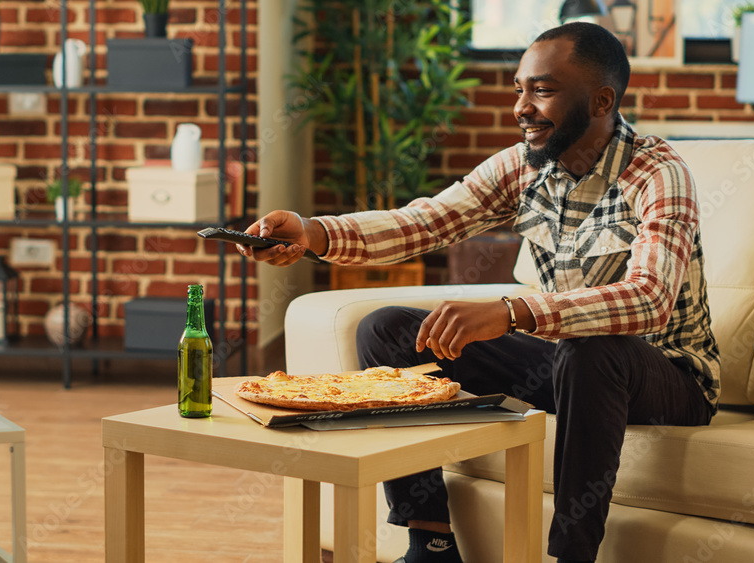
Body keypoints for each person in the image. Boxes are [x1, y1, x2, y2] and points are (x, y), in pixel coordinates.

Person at [238, 22, 720, 563]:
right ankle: (430, 543)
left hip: (668, 377)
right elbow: (424, 222)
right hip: (566, 368)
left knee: (591, 349)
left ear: (602, 100)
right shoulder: (525, 166)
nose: (521, 107)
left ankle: (571, 556)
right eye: (519, 89)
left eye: (542, 90)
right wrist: (312, 233)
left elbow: (649, 298)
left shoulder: (658, 173)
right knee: (388, 329)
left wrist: (512, 312)